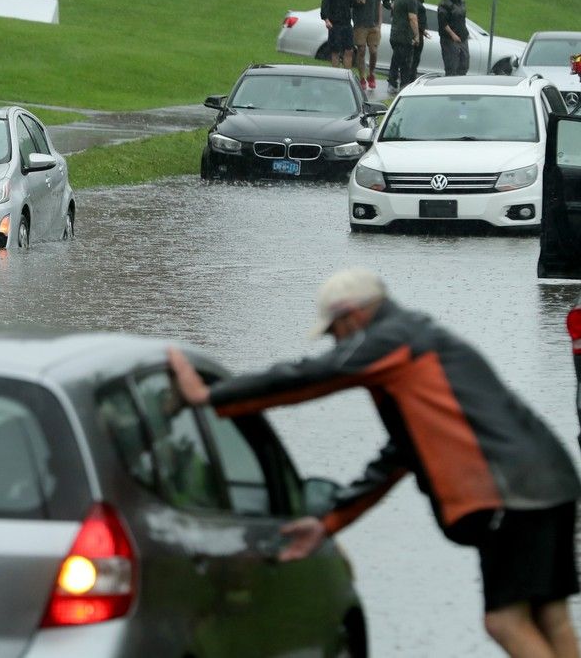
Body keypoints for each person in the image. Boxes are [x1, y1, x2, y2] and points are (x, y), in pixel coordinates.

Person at [168, 268, 581, 658]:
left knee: (504, 621)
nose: (336, 345)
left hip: (507, 493)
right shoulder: (422, 345)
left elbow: (309, 375)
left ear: (351, 316)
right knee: (551, 616)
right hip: (552, 481)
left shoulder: (391, 340)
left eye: (334, 333)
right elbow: (398, 455)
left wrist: (211, 397)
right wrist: (329, 523)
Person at [350, 0, 383, 91]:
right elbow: (351, 2)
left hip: (373, 24)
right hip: (360, 24)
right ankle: (362, 77)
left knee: (373, 50)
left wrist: (379, 23)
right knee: (361, 50)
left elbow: (379, 4)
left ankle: (371, 73)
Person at [387, 0, 421, 94]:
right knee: (406, 63)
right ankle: (404, 86)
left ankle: (392, 83)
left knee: (395, 60)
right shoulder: (410, 0)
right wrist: (417, 35)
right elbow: (413, 19)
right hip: (405, 36)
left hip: (394, 34)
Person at [321, 0, 354, 70]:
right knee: (336, 51)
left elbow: (350, 3)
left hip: (347, 23)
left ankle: (347, 73)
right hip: (335, 23)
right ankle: (336, 72)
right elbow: (325, 3)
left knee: (349, 50)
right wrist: (326, 19)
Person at [438, 0, 470, 76]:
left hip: (462, 37)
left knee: (464, 63)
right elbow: (443, 23)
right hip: (449, 38)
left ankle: (460, 82)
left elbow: (462, 19)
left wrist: (465, 32)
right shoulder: (444, 4)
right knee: (452, 65)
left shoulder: (462, 3)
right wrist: (453, 35)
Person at [408, 0, 431, 84]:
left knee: (414, 59)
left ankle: (411, 78)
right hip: (415, 35)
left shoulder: (418, 3)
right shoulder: (416, 3)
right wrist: (419, 32)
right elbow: (414, 19)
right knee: (413, 59)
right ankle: (410, 79)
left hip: (419, 33)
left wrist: (423, 31)